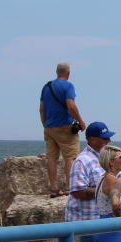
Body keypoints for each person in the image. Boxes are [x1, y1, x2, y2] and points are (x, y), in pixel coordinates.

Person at [66, 121, 115, 242]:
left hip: (102, 218)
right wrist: (105, 190)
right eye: (104, 138)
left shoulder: (104, 159)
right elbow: (78, 191)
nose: (109, 141)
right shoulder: (82, 161)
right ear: (92, 139)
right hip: (88, 219)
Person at [39, 62, 87, 197]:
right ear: (68, 73)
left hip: (49, 127)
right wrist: (81, 121)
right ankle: (69, 187)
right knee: (70, 156)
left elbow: (41, 109)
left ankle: (53, 187)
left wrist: (45, 124)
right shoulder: (68, 86)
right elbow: (71, 105)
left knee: (51, 157)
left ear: (56, 72)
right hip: (65, 126)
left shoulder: (46, 87)